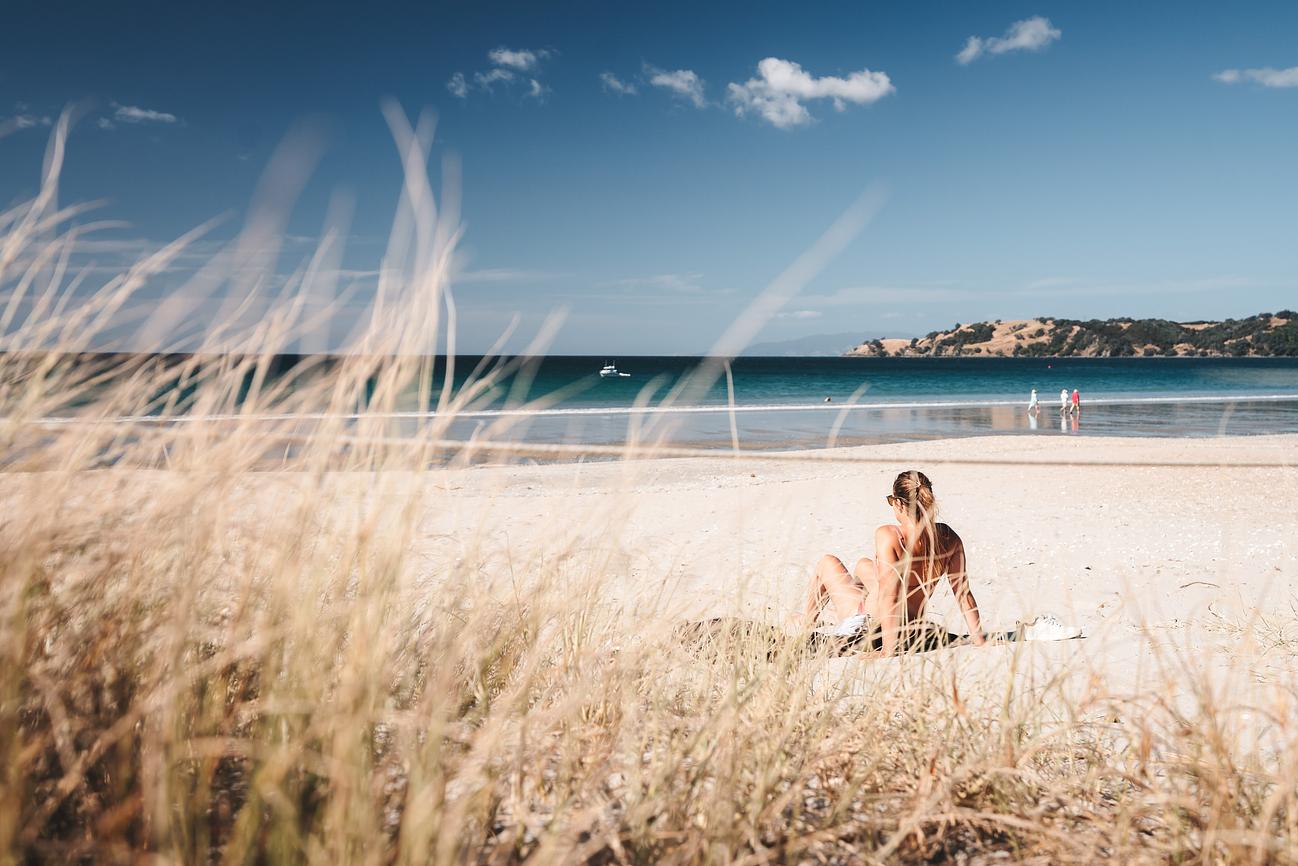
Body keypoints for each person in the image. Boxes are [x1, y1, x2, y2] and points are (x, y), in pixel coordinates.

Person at [802, 471, 1080, 653]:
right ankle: (849, 605)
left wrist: (887, 650)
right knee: (863, 565)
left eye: (890, 501)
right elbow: (963, 595)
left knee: (827, 563)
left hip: (873, 626)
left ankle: (807, 623)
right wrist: (979, 639)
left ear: (899, 504)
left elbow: (889, 597)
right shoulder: (948, 537)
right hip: (914, 625)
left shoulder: (890, 535)